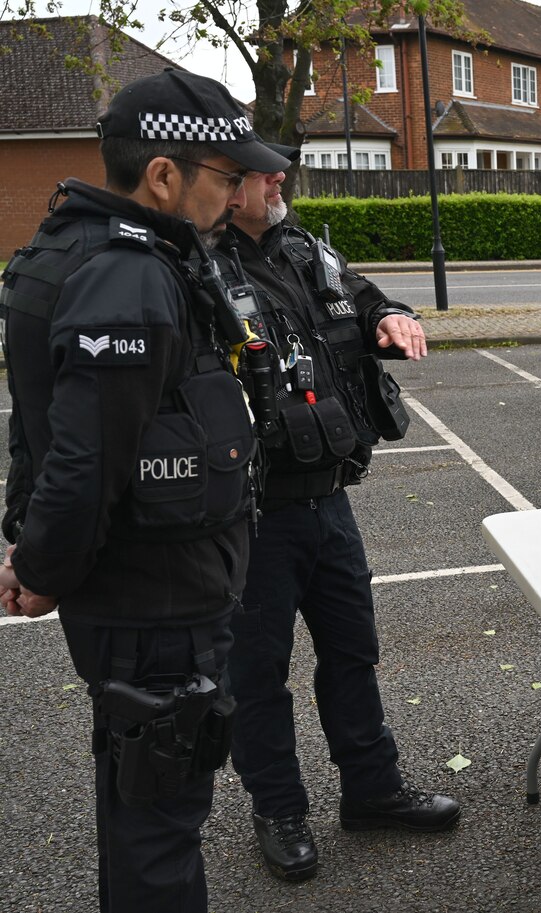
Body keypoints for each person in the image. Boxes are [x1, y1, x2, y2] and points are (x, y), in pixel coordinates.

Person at [0, 69, 291, 911]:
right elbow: (83, 462)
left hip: (151, 602)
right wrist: (42, 569)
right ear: (163, 175)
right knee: (158, 832)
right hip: (154, 611)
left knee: (147, 812)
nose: (236, 194)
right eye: (227, 176)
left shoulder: (107, 252)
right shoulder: (125, 276)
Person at [212, 151, 459, 883]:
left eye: (278, 171)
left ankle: (372, 791)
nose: (278, 180)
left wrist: (393, 318)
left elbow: (366, 300)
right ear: (226, 186)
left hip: (329, 499)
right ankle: (279, 810)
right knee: (258, 673)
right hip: (253, 514)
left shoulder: (302, 249)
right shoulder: (199, 266)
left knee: (352, 651)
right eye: (263, 174)